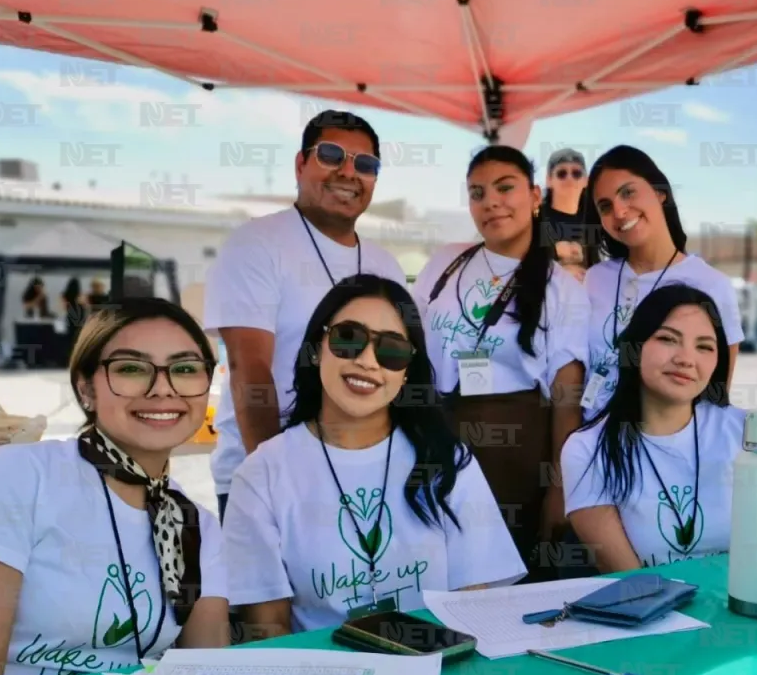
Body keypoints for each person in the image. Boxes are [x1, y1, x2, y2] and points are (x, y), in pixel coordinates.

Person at [0, 299, 230, 675]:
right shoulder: (21, 476)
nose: (162, 388)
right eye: (130, 368)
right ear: (86, 388)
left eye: (184, 369)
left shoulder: (196, 525)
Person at [222, 275, 526, 636]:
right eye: (348, 338)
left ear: (406, 372)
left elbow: (475, 605)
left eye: (392, 350)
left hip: (440, 672)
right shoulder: (262, 474)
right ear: (317, 346)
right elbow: (269, 631)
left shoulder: (448, 460)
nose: (367, 361)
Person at [204, 110, 407, 520]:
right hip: (270, 478)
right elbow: (250, 369)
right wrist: (274, 478)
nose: (349, 173)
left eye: (365, 165)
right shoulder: (257, 244)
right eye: (331, 155)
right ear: (300, 164)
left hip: (364, 474)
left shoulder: (386, 265)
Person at [413, 145, 589, 582]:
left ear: (533, 196)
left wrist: (559, 490)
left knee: (505, 582)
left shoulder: (561, 288)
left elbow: (567, 402)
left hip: (514, 453)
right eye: (477, 193)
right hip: (436, 439)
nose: (490, 201)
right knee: (442, 573)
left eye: (504, 188)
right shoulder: (445, 262)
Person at [562, 284, 746, 572]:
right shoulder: (586, 449)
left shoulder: (746, 433)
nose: (686, 359)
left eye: (704, 346)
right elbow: (631, 579)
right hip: (651, 610)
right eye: (668, 339)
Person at [581, 145, 743, 418]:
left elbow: (715, 395)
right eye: (605, 206)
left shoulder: (711, 285)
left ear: (660, 192)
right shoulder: (596, 278)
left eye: (628, 192)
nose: (619, 211)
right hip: (593, 443)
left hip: (664, 449)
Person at [540, 148, 594, 282]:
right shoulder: (534, 218)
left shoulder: (595, 219)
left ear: (585, 181)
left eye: (576, 173)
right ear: (549, 180)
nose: (569, 178)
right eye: (561, 173)